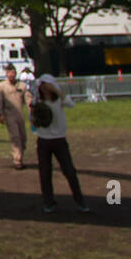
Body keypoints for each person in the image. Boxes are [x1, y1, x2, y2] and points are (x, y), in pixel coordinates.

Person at [32, 74, 87, 214]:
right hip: (43, 140)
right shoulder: (37, 100)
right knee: (45, 173)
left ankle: (80, 201)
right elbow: (32, 119)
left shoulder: (59, 100)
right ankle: (48, 202)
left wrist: (56, 91)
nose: (44, 88)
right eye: (42, 85)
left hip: (59, 140)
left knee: (69, 171)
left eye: (46, 85)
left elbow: (71, 104)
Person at [0, 64, 31, 169]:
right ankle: (17, 160)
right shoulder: (2, 86)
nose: (11, 75)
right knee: (15, 137)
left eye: (13, 73)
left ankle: (20, 155)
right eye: (9, 73)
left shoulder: (21, 86)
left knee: (23, 137)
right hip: (9, 114)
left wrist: (31, 112)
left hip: (20, 114)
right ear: (6, 74)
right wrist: (0, 114)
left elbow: (28, 99)